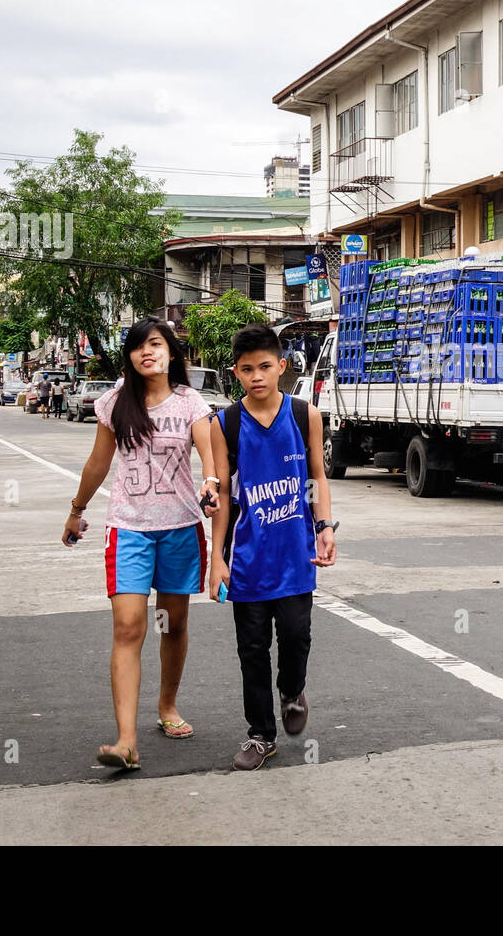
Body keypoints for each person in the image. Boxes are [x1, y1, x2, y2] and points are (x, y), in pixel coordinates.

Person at [62, 317, 220, 771]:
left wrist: (210, 483)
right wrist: (77, 510)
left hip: (180, 530)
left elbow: (209, 455)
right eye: (138, 347)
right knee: (129, 627)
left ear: (171, 351)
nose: (146, 352)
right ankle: (126, 741)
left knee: (171, 625)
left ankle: (167, 706)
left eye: (155, 344)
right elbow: (98, 462)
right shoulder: (114, 403)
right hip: (128, 529)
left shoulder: (192, 403)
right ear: (129, 357)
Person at [208, 323, 337, 772]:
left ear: (281, 366)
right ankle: (261, 735)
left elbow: (317, 475)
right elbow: (223, 494)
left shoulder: (306, 415)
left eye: (265, 366)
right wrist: (217, 559)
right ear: (236, 373)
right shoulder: (223, 423)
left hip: (296, 555)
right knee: (251, 650)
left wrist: (324, 526)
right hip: (248, 561)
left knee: (297, 637)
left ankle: (292, 688)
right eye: (247, 369)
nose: (257, 376)